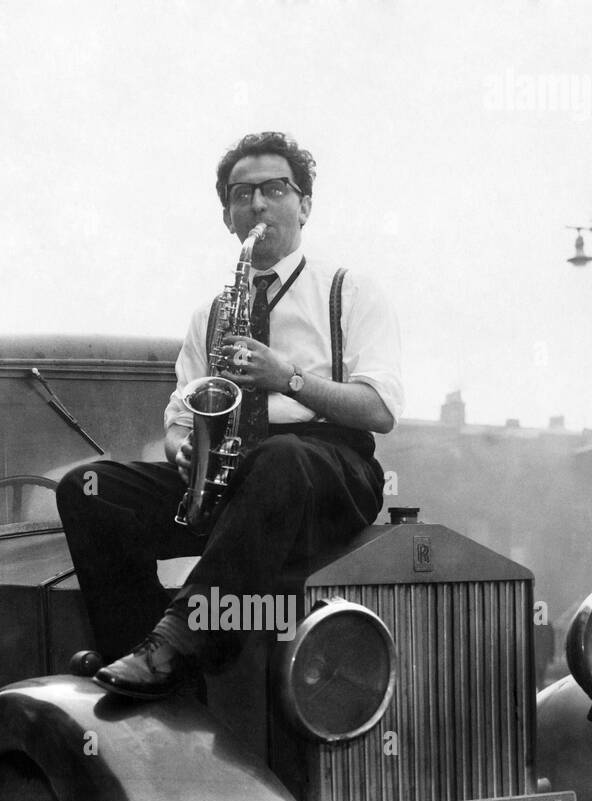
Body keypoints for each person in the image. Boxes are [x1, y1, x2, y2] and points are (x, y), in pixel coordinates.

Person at [57, 131, 403, 698]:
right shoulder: (211, 314)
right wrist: (181, 449)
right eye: (243, 195)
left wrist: (287, 378)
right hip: (236, 474)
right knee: (89, 489)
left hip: (329, 471)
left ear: (305, 204)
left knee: (281, 457)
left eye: (275, 189)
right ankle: (139, 654)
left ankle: (183, 637)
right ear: (228, 217)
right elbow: (178, 415)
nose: (258, 205)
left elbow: (381, 409)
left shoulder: (351, 290)